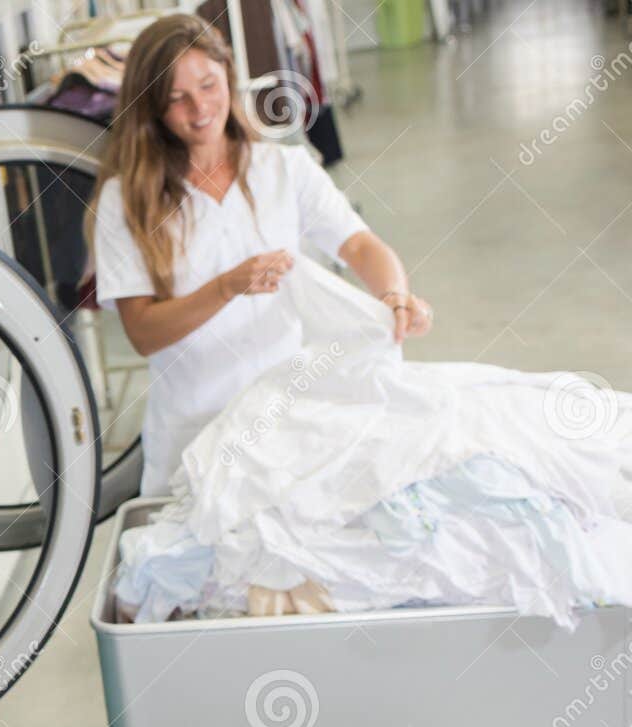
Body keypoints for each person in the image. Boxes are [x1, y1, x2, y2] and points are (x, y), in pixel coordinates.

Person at [90, 13, 433, 496]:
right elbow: (143, 332)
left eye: (210, 86)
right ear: (150, 109)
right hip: (193, 436)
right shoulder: (126, 199)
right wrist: (226, 287)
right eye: (176, 99)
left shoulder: (282, 168)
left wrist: (396, 297)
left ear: (228, 77)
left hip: (285, 424)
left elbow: (358, 243)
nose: (200, 108)